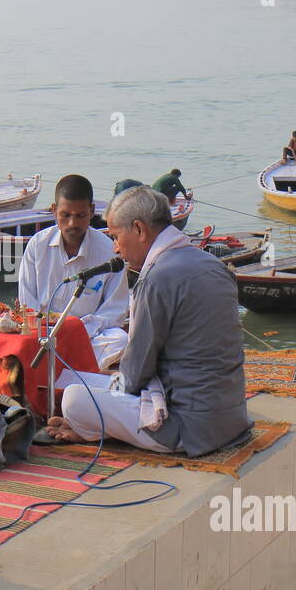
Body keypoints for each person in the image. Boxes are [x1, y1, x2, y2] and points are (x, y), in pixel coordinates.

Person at [47, 187, 250, 454]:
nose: (116, 249)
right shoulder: (213, 265)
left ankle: (93, 427)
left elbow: (136, 374)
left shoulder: (156, 278)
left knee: (74, 397)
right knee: (97, 383)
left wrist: (109, 396)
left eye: (117, 237)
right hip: (231, 417)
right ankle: (97, 425)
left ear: (140, 230)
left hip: (188, 428)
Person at [17, 174, 130, 368]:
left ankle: (67, 367)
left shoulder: (108, 250)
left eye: (80, 216)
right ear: (54, 211)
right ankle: (73, 367)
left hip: (87, 336)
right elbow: (27, 300)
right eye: (65, 215)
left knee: (120, 340)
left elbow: (115, 311)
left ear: (92, 211)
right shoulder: (38, 244)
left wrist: (77, 330)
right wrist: (47, 328)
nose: (72, 224)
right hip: (42, 333)